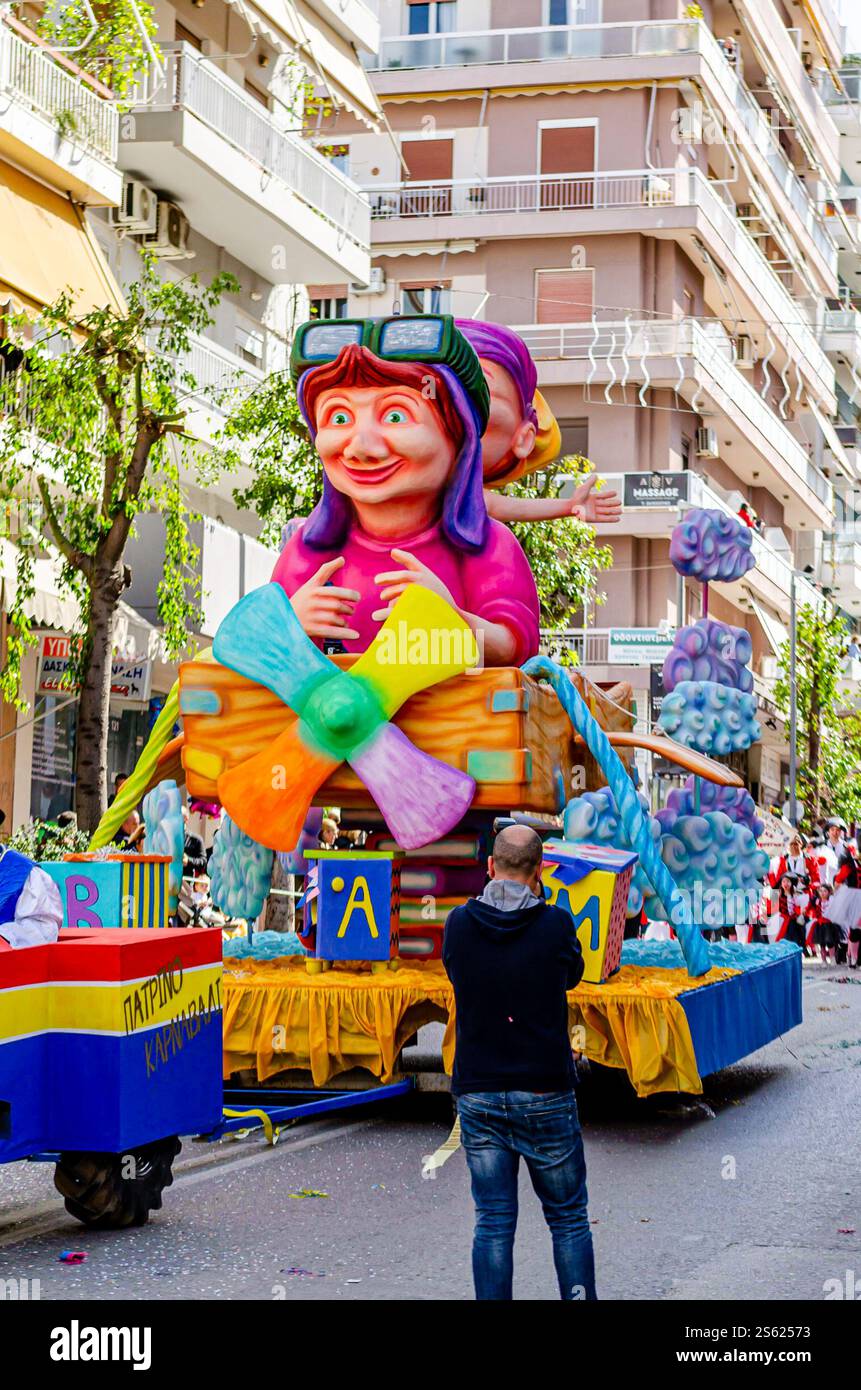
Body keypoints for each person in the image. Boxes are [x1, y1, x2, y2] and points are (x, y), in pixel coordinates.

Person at [273, 318, 540, 666]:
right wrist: (290, 625)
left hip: (450, 715)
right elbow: (257, 648)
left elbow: (516, 645)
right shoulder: (309, 549)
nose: (361, 447)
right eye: (339, 419)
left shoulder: (488, 546)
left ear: (457, 434)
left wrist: (454, 624)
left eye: (396, 416)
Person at [442, 824, 595, 1302]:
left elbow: (458, 971)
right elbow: (573, 974)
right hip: (545, 1091)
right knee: (568, 1219)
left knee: (492, 1221)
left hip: (480, 1094)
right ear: (540, 872)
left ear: (490, 866)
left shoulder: (458, 925)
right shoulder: (554, 924)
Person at [455, 320, 622, 527]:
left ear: (523, 438)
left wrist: (569, 506)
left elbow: (497, 506)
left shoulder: (455, 494)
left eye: (474, 395)